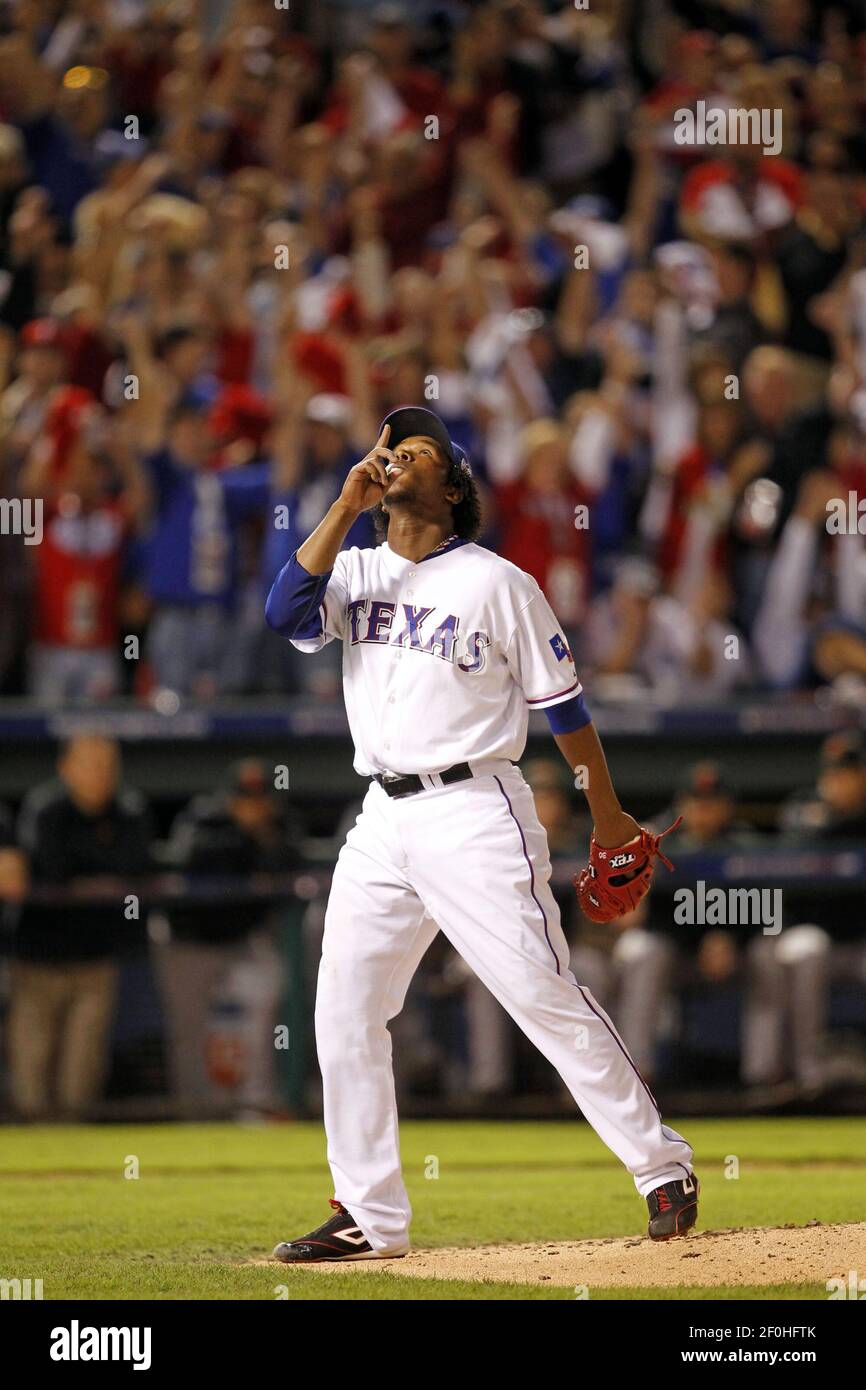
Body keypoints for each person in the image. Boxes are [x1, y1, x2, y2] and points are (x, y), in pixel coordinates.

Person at [264, 405, 698, 1262]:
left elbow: (566, 712)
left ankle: (661, 1163)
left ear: (453, 488)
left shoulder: (500, 582)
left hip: (475, 807)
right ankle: (369, 1215)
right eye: (391, 447)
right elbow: (284, 613)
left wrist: (606, 812)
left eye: (416, 451)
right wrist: (345, 505)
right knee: (343, 1010)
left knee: (539, 990)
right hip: (382, 817)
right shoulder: (354, 568)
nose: (395, 456)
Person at [9, 734, 151, 1119]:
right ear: (65, 768)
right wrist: (101, 872)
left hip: (96, 960)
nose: (100, 775)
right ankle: (34, 1162)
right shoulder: (47, 810)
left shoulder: (128, 810)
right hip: (38, 960)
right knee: (30, 1072)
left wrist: (92, 874)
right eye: (89, 765)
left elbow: (137, 866)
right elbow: (52, 868)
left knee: (81, 1076)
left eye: (107, 766)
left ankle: (76, 1154)